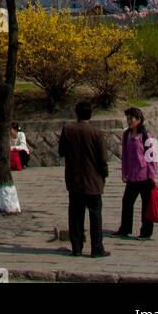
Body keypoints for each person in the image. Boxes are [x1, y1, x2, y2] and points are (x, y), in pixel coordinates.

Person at [58, 101, 110, 258]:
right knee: (95, 216)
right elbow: (102, 159)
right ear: (91, 114)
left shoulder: (67, 129)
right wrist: (104, 174)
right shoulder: (96, 133)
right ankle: (96, 248)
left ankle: (77, 247)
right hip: (93, 181)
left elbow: (61, 151)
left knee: (75, 216)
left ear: (77, 114)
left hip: (74, 180)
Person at [114, 106, 158, 240]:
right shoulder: (126, 134)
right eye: (127, 118)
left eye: (131, 118)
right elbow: (125, 156)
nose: (129, 121)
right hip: (132, 176)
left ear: (139, 120)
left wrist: (152, 176)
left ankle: (146, 232)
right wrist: (124, 172)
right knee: (127, 202)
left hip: (144, 176)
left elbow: (152, 158)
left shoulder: (146, 136)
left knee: (146, 206)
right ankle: (125, 228)